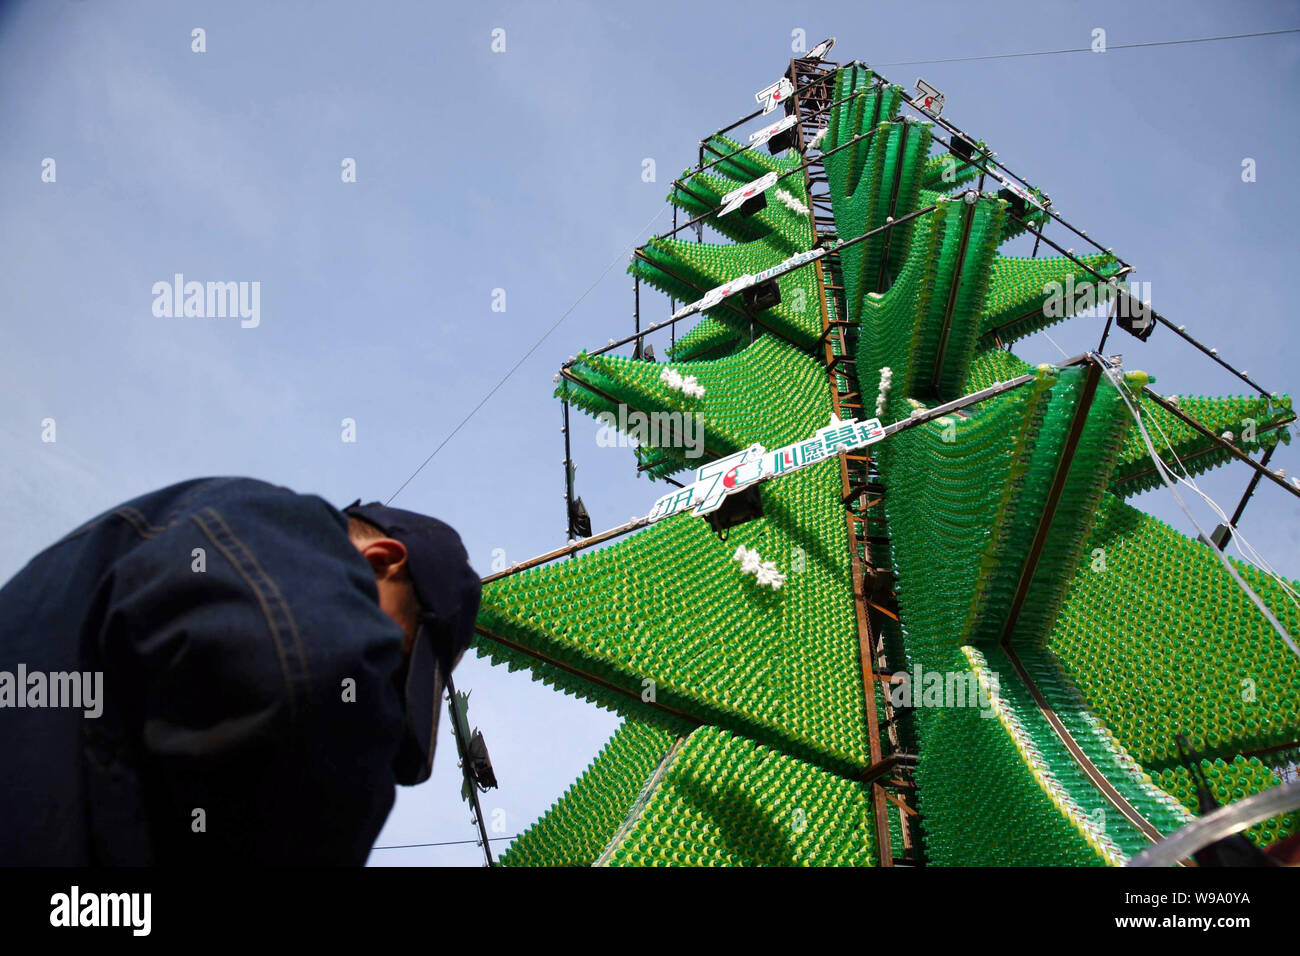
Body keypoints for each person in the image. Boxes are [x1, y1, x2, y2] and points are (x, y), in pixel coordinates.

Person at [0, 477, 481, 865]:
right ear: (381, 562)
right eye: (392, 662)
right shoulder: (280, 542)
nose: (378, 703)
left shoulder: (91, 566)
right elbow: (308, 685)